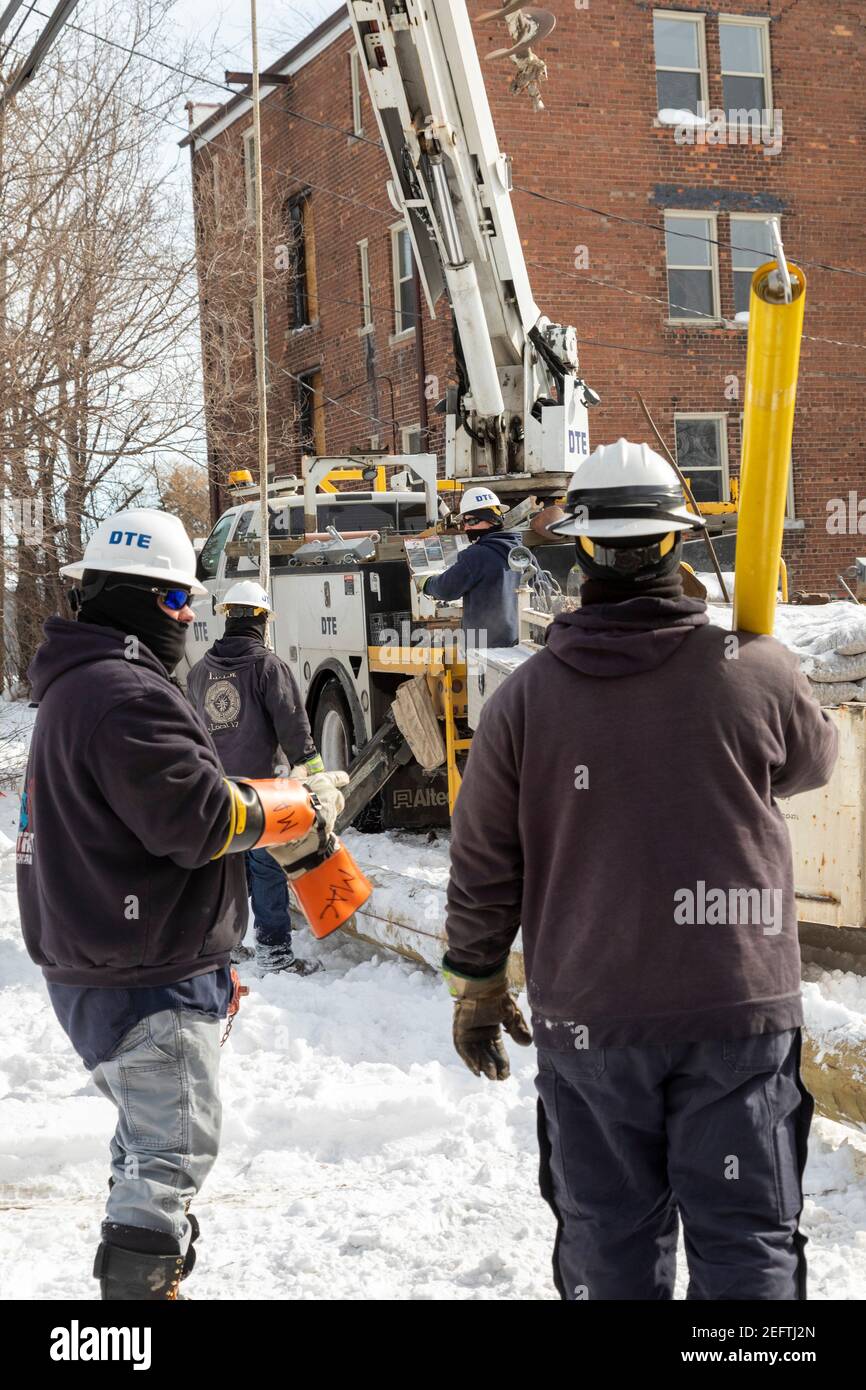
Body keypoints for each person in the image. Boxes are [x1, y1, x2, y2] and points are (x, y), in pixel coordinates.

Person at [441, 439, 839, 1302]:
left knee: (609, 1243)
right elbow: (812, 763)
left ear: (581, 548)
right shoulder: (755, 669)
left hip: (593, 1015)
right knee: (747, 1241)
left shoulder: (524, 701)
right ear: (678, 543)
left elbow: (483, 863)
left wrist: (474, 982)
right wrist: (760, 675)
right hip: (736, 1008)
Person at [16, 509, 347, 1299]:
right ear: (148, 600)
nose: (189, 618)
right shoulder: (125, 693)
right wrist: (297, 808)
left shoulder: (82, 685)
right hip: (143, 974)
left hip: (117, 961)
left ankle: (144, 1284)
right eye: (178, 601)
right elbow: (197, 818)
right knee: (167, 1162)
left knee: (146, 1155)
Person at [187, 579, 324, 975]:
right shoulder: (268, 667)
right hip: (262, 792)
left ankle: (226, 947)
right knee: (265, 869)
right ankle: (274, 952)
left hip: (216, 791)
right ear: (262, 620)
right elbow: (292, 724)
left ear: (227, 617)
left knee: (225, 871)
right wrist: (312, 768)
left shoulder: (199, 672)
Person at [414, 486, 520, 648]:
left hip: (485, 645)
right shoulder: (520, 551)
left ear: (492, 519)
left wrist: (427, 583)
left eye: (471, 521)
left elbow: (446, 589)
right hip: (517, 642)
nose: (466, 527)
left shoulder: (476, 555)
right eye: (464, 522)